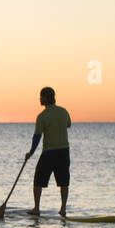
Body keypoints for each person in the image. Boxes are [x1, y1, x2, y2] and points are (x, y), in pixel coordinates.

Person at [23, 86, 70, 217]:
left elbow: (37, 136)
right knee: (64, 181)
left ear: (46, 98)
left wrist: (31, 152)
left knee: (38, 180)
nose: (40, 99)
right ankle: (63, 209)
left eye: (41, 97)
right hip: (64, 151)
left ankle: (36, 208)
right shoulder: (64, 111)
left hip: (49, 152)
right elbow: (68, 125)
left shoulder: (42, 116)